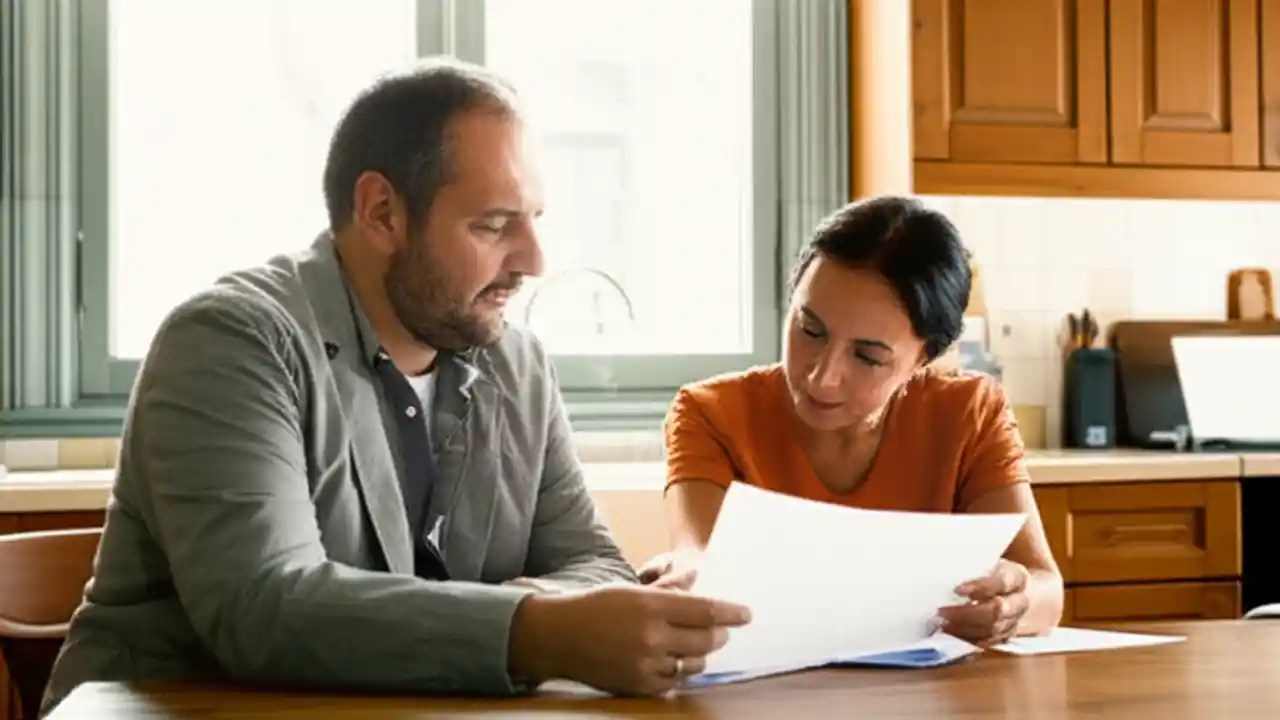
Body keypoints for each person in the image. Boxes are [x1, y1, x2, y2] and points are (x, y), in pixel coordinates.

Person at [41, 58, 750, 714]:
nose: (533, 260)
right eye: (493, 225)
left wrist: (536, 613)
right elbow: (263, 608)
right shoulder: (229, 341)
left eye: (533, 222)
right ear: (381, 212)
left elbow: (591, 561)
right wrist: (534, 632)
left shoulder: (516, 361)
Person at [641, 196, 1063, 645]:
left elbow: (1045, 589)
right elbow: (699, 564)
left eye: (867, 357)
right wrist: (685, 580)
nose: (822, 379)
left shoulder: (970, 413)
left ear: (925, 358)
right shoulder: (710, 413)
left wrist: (1013, 606)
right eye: (809, 330)